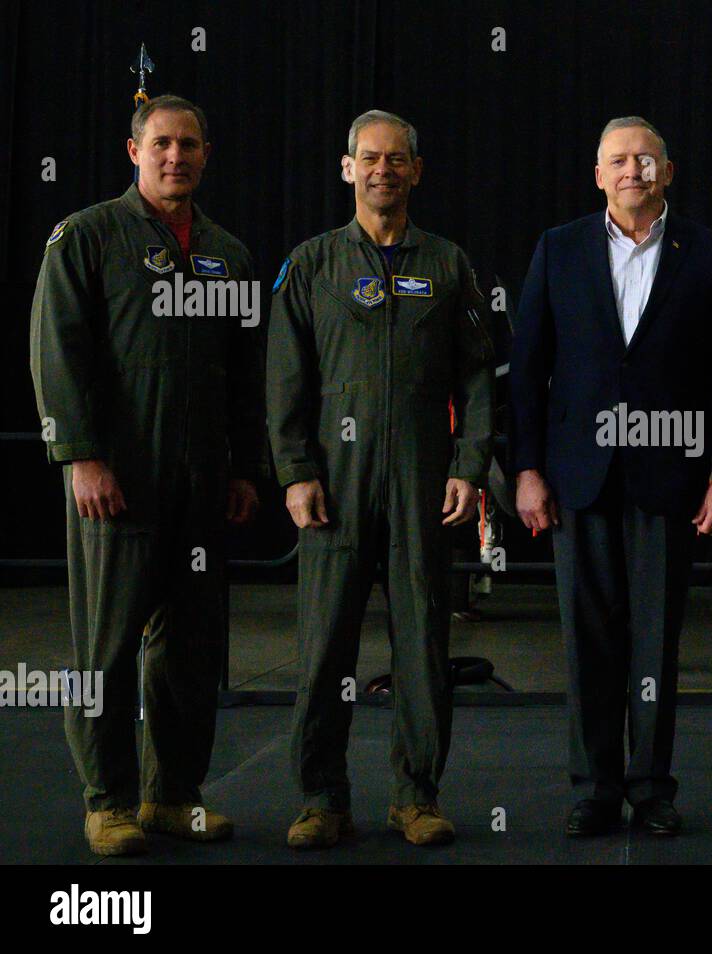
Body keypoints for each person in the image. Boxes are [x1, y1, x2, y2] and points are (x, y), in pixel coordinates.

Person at [29, 94, 266, 855]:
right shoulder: (87, 236)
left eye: (189, 144)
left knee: (192, 648)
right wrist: (81, 455)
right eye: (161, 144)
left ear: (205, 154)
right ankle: (107, 801)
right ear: (134, 152)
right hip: (119, 481)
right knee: (107, 646)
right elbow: (55, 350)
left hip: (201, 482)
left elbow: (243, 374)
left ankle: (173, 796)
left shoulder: (228, 254)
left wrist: (242, 466)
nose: (176, 157)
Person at [510, 116, 712, 836]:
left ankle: (650, 788)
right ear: (598, 175)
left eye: (646, 160)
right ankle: (593, 787)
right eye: (618, 160)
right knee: (587, 642)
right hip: (576, 477)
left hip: (668, 477)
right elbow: (527, 373)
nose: (633, 171)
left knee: (655, 641)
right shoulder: (558, 249)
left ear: (668, 173)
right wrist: (524, 469)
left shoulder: (711, 255)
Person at [267, 110, 492, 849]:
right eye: (370, 158)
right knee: (325, 644)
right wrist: (295, 471)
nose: (383, 171)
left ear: (416, 171)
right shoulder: (312, 265)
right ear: (348, 167)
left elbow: (478, 377)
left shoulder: (449, 264)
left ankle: (415, 795)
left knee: (423, 641)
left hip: (422, 481)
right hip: (335, 482)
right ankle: (321, 799)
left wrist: (470, 465)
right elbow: (284, 381)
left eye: (397, 160)